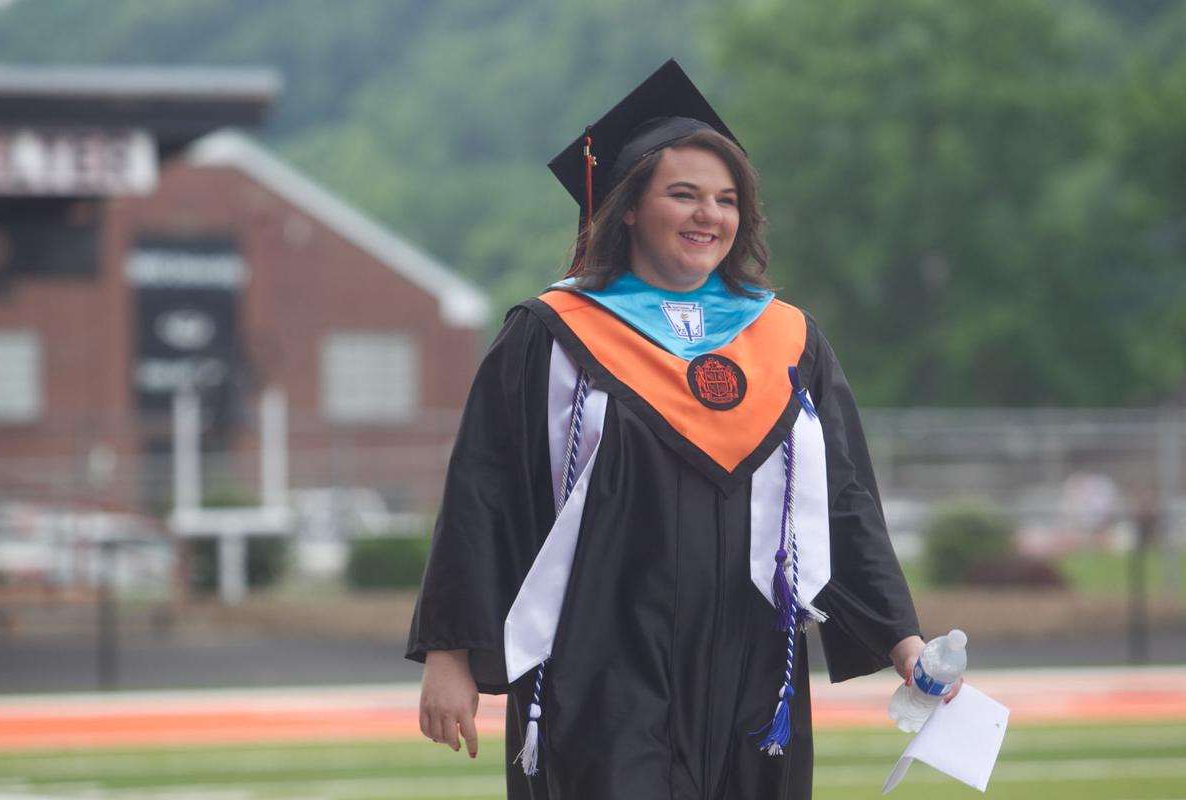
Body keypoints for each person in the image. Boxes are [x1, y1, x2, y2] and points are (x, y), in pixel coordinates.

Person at [407, 59, 954, 800]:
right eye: (684, 194)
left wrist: (902, 638)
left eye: (727, 200)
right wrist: (449, 652)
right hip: (599, 662)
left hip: (752, 664)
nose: (710, 216)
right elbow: (483, 491)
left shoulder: (787, 341)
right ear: (630, 206)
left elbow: (843, 498)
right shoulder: (553, 334)